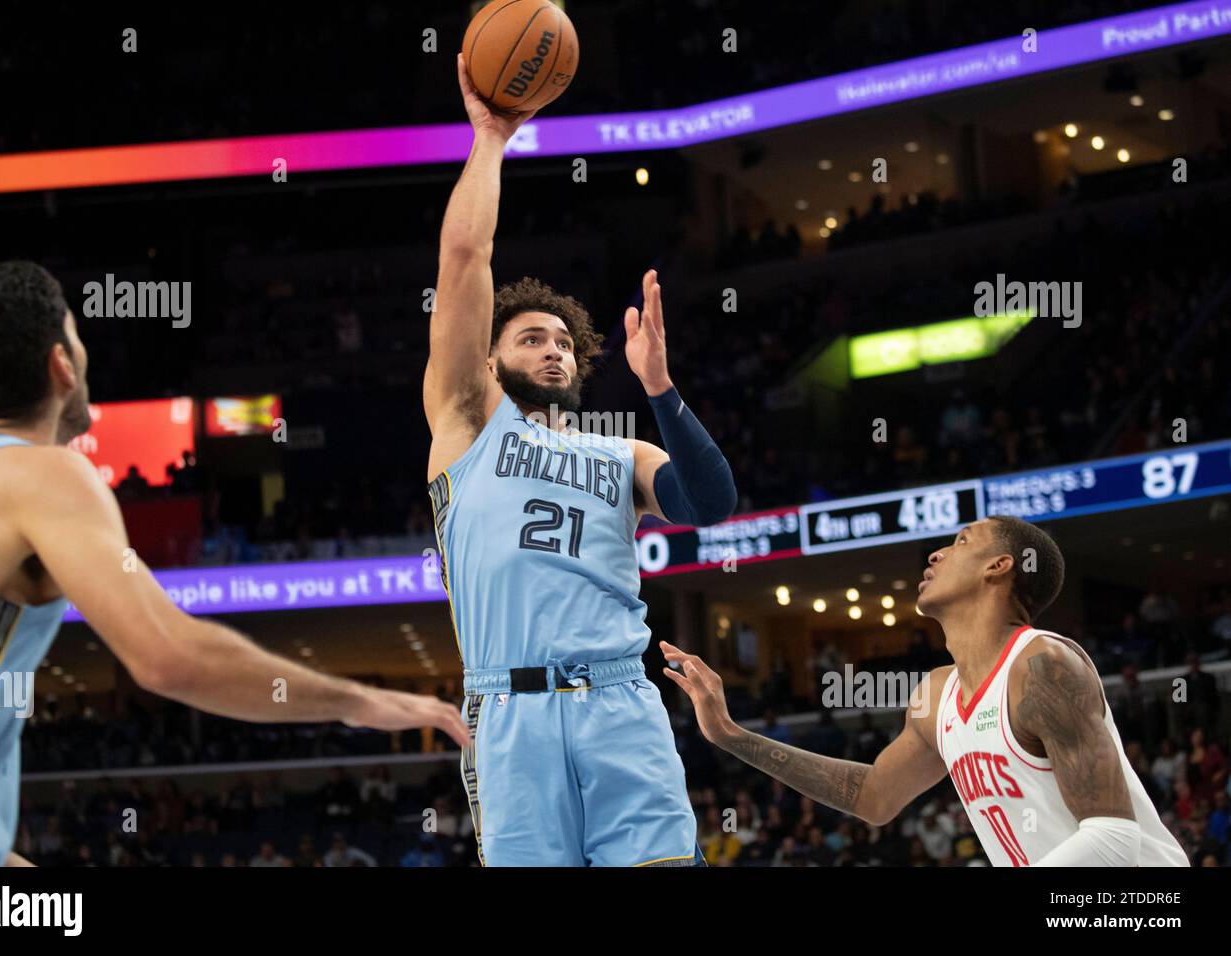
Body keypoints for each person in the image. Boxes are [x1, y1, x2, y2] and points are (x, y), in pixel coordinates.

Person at [0, 262, 468, 867]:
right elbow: (168, 657)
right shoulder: (44, 474)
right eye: (78, 338)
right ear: (61, 363)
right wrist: (362, 703)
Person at [422, 54, 736, 866]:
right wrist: (491, 139)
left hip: (622, 702)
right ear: (488, 363)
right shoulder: (466, 425)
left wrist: (662, 389)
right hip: (509, 711)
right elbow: (464, 262)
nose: (555, 352)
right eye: (532, 338)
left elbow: (711, 503)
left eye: (564, 341)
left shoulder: (620, 449)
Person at [664, 516, 1188, 866]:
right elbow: (871, 798)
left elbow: (1114, 839)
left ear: (999, 567)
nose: (936, 555)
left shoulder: (1044, 666)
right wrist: (731, 735)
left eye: (961, 542)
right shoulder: (934, 696)